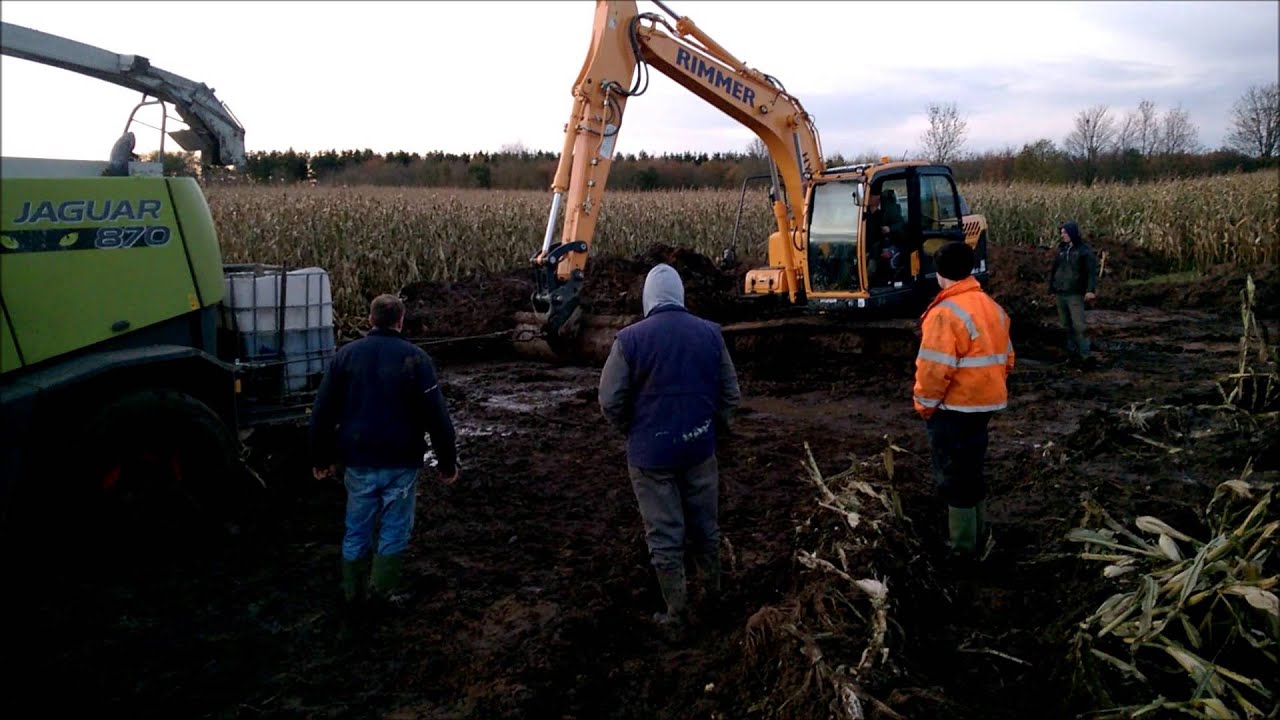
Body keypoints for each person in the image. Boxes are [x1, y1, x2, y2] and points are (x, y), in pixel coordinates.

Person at [598, 264, 741, 639]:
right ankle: (713, 598)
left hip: (651, 456)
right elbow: (731, 394)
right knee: (705, 528)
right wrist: (715, 431)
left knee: (664, 534)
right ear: (680, 295)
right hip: (699, 447)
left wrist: (633, 430)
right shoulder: (710, 334)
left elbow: (610, 400)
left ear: (648, 298)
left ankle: (676, 615)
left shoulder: (629, 341)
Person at [309, 294, 459, 614]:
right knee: (394, 526)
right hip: (401, 461)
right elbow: (437, 417)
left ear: (369, 320)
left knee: (357, 526)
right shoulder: (416, 359)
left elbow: (321, 413)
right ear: (400, 321)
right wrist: (447, 463)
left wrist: (320, 458)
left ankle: (353, 594)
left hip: (358, 458)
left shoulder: (344, 356)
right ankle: (383, 593)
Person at [913, 242, 1014, 559]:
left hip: (954, 409)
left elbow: (933, 369)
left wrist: (924, 405)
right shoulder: (992, 307)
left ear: (940, 274)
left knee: (954, 478)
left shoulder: (945, 314)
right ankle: (978, 534)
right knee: (972, 470)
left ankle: (962, 549)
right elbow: (1008, 359)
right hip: (985, 406)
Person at [1048, 221, 1100, 367]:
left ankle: (1085, 355)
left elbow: (1091, 272)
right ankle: (1072, 355)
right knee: (1066, 325)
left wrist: (1090, 290)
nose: (1062, 235)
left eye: (1065, 233)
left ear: (1072, 233)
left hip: (1075, 293)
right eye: (1062, 233)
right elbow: (1055, 269)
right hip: (1061, 292)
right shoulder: (1062, 249)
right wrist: (1052, 286)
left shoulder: (1084, 251)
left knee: (1079, 325)